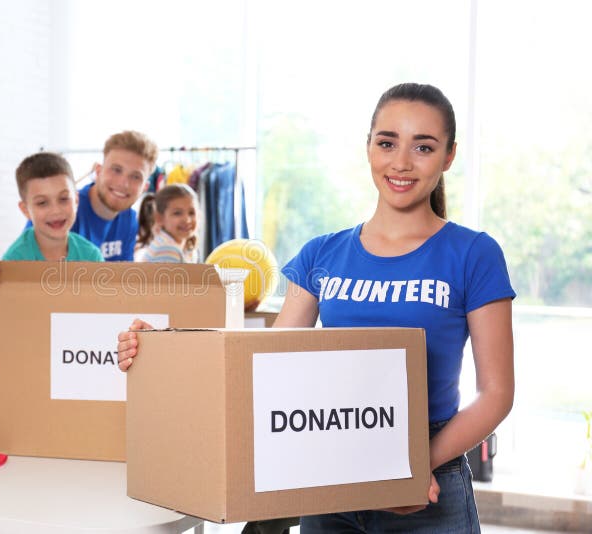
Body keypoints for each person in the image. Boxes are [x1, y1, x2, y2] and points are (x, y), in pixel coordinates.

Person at [116, 83, 515, 533]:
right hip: (331, 480)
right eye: (387, 143)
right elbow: (267, 372)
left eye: (423, 146)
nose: (401, 162)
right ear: (368, 147)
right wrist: (161, 353)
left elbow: (496, 393)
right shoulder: (321, 254)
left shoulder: (474, 253)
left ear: (449, 156)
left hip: (428, 486)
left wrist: (409, 467)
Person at [0, 152, 104, 420]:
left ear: (76, 199)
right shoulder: (17, 259)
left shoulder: (90, 257)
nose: (55, 210)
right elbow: (19, 330)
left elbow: (93, 319)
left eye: (64, 198)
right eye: (42, 202)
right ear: (25, 209)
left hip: (53, 361)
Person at [71, 130, 159, 261]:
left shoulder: (130, 221)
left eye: (135, 177)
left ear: (144, 188)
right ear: (98, 171)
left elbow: (122, 278)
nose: (124, 183)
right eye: (116, 170)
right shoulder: (64, 210)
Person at [134, 183, 200, 263]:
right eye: (177, 213)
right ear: (159, 218)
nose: (187, 220)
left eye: (191, 213)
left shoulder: (185, 246)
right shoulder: (167, 250)